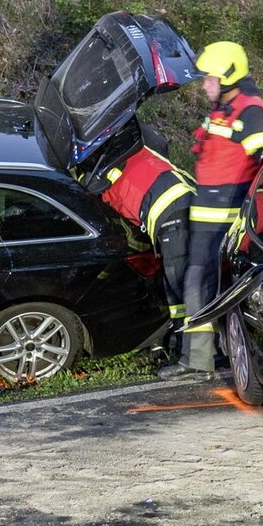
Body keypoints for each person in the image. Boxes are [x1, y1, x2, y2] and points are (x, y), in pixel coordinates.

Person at [175, 41, 263, 379]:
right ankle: (210, 357)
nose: (204, 84)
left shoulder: (251, 112)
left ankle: (197, 362)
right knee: (202, 285)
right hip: (207, 214)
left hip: (227, 219)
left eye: (209, 78)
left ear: (229, 77)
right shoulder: (223, 108)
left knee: (199, 283)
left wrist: (255, 211)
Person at [78, 122, 194, 360]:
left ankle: (193, 358)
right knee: (178, 287)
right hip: (187, 200)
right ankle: (177, 345)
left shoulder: (98, 179)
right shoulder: (134, 142)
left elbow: (130, 233)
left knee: (181, 292)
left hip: (173, 217)